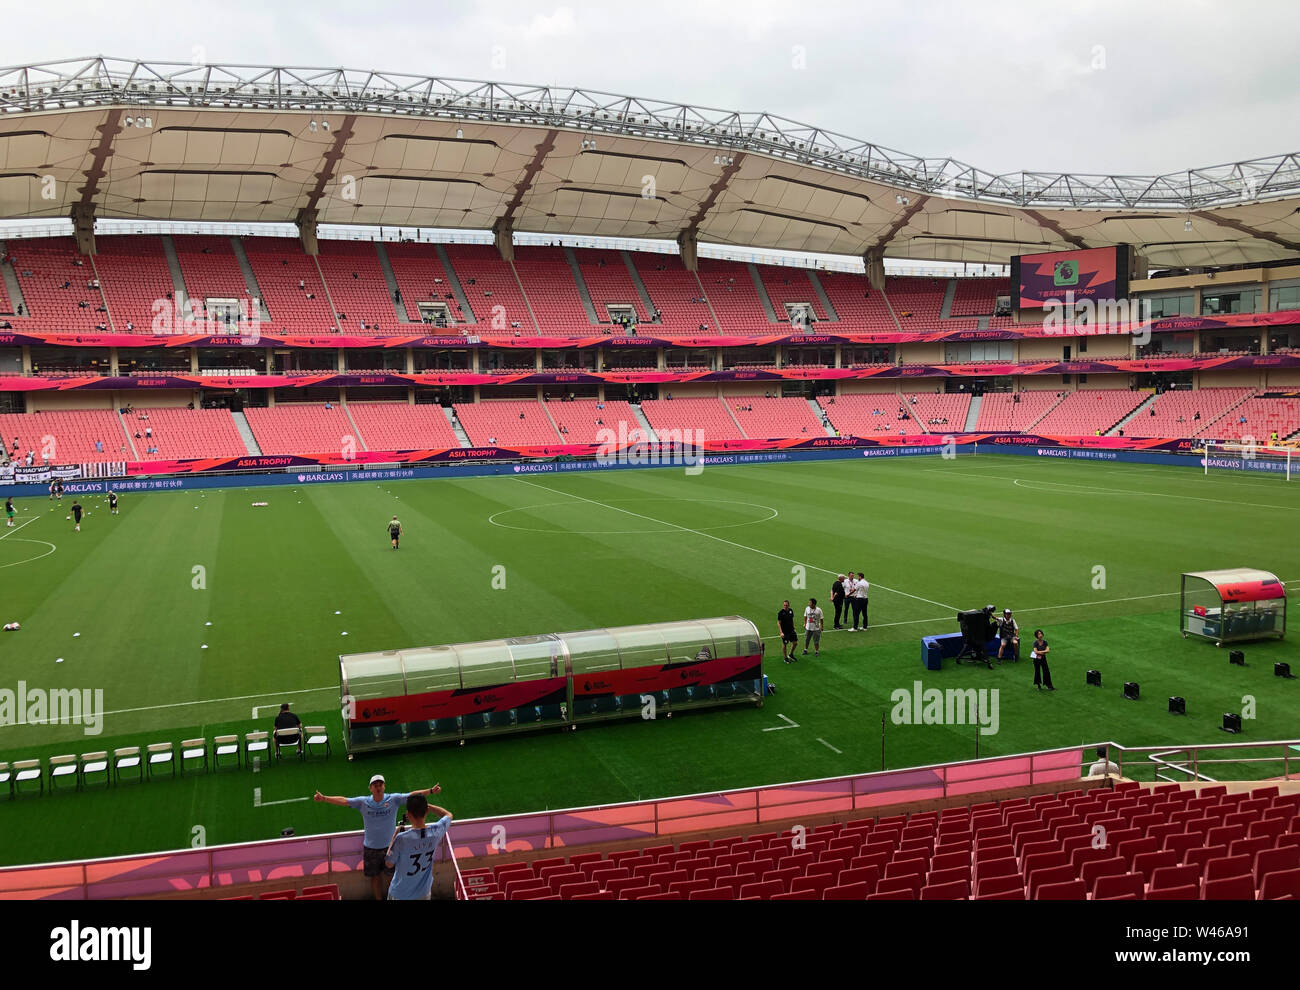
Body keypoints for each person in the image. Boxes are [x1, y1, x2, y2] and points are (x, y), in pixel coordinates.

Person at [313, 775, 442, 900]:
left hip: (391, 847)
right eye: (375, 785)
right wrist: (324, 798)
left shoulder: (394, 799)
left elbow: (412, 795)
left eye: (380, 785)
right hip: (371, 848)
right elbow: (344, 800)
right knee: (374, 878)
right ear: (370, 788)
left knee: (392, 877)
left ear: (384, 787)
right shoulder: (363, 802)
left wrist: (430, 791)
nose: (378, 787)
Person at [385, 793, 454, 901]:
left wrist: (394, 835)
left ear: (408, 813)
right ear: (426, 811)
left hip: (400, 894)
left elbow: (389, 864)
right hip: (423, 893)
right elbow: (448, 815)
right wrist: (428, 806)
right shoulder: (435, 833)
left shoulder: (401, 839)